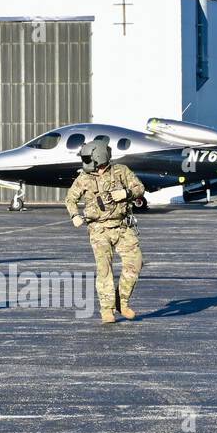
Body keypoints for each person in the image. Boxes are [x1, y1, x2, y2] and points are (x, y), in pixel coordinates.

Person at [64, 138, 146, 324]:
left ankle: (121, 302)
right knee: (104, 269)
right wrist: (74, 216)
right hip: (99, 229)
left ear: (98, 157)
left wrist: (126, 194)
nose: (85, 163)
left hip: (122, 226)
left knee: (136, 263)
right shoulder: (84, 178)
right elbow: (70, 199)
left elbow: (140, 188)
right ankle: (107, 309)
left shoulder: (121, 171)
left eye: (87, 159)